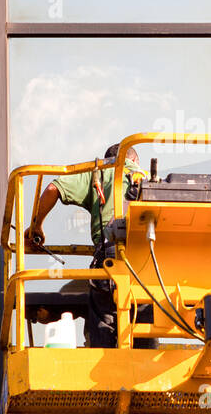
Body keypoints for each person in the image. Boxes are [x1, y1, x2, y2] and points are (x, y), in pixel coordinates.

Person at [26, 143, 144, 347]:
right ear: (134, 161)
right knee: (145, 321)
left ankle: (105, 366)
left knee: (103, 324)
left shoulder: (102, 171)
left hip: (110, 257)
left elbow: (54, 188)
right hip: (149, 260)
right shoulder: (150, 179)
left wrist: (36, 227)